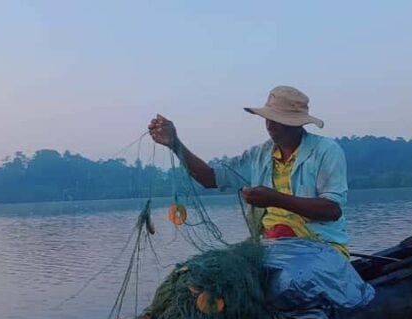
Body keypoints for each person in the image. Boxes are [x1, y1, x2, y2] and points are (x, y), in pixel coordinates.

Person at [149, 85, 349, 256]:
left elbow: (332, 210)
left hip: (319, 247)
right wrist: (175, 144)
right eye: (267, 118)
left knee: (283, 284)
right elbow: (210, 178)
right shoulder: (259, 155)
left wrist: (275, 199)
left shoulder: (325, 151)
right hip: (270, 245)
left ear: (297, 124)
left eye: (277, 119)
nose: (269, 125)